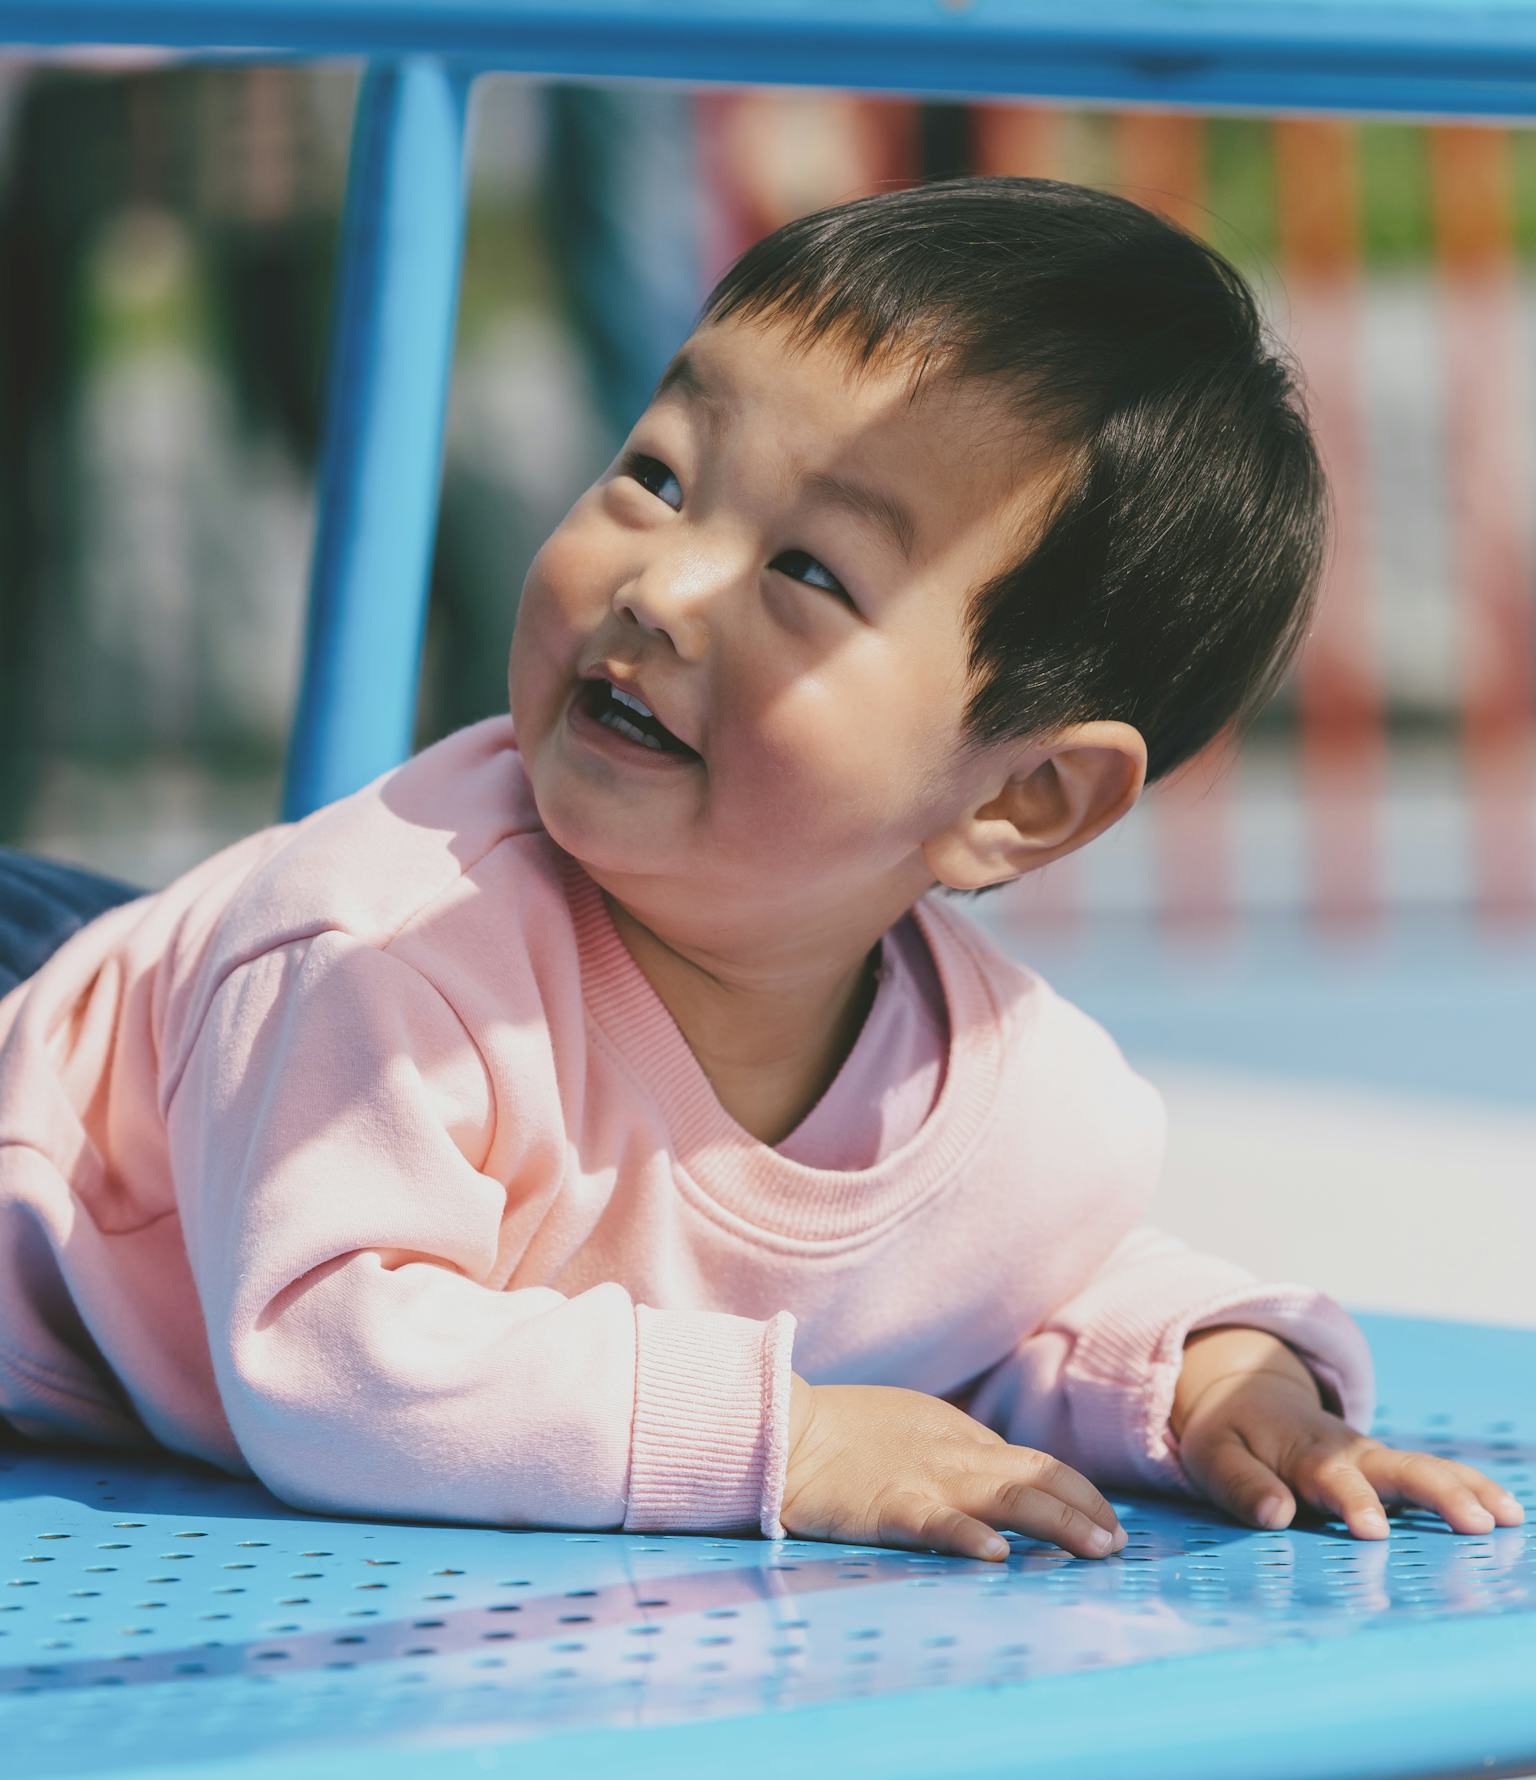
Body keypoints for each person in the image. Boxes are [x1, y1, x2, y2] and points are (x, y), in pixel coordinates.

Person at [0, 177, 1521, 1561]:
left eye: (808, 571)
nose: (662, 586)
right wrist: (785, 1438)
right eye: (660, 475)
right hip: (61, 1090)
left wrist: (1202, 1373)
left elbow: (1023, 1283)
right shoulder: (386, 950)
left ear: (1027, 798)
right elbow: (328, 1359)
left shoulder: (1018, 1094)